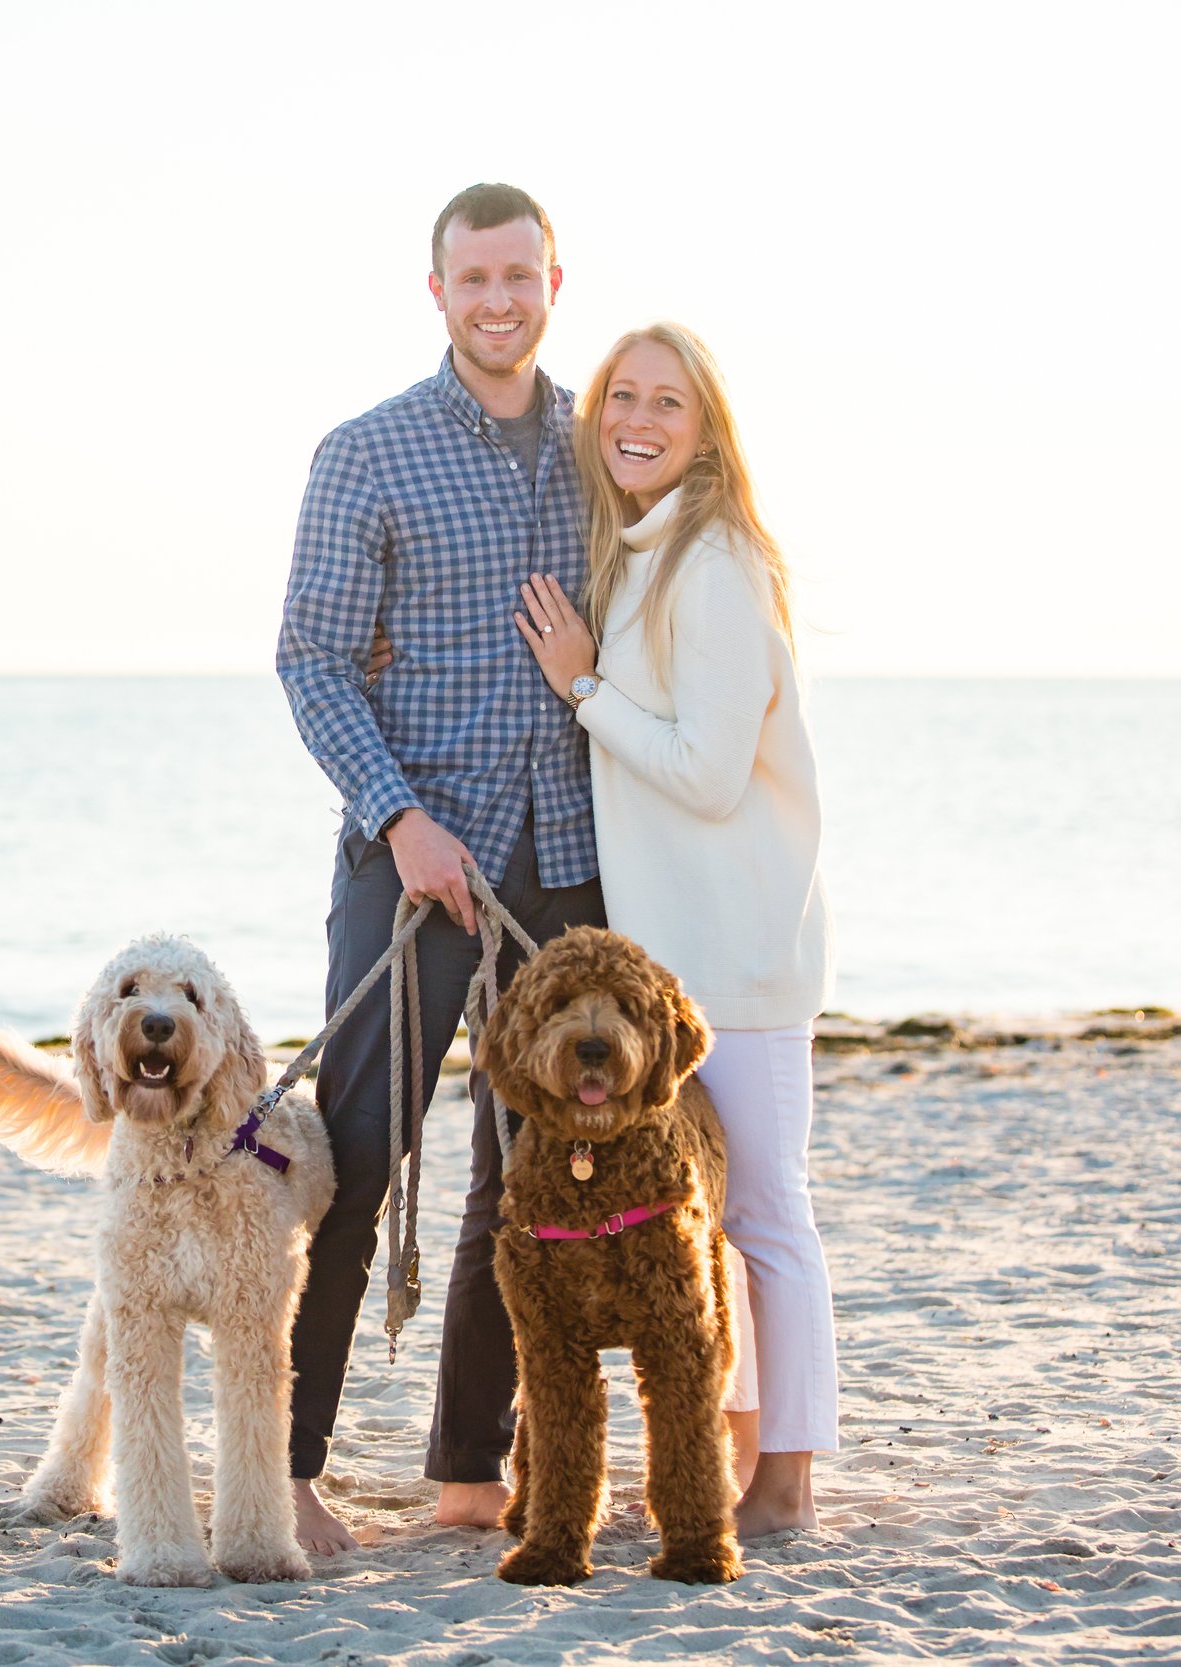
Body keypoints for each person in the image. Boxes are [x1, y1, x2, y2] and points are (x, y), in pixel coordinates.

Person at [273, 182, 603, 1555]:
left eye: (519, 273)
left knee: (530, 1181)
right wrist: (401, 815)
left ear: (553, 279)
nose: (498, 298)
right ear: (437, 291)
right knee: (352, 1161)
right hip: (414, 865)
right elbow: (310, 659)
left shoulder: (609, 449)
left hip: (571, 857)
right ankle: (284, 1472)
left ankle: (473, 1468)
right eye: (474, 278)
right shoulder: (369, 453)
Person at [511, 321, 841, 1537]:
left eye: (666, 403)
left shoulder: (713, 563)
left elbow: (706, 775)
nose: (637, 420)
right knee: (715, 1220)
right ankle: (741, 1453)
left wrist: (585, 687)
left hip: (741, 952)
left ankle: (791, 1478)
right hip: (677, 961)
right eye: (620, 399)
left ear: (704, 432)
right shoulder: (644, 550)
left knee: (762, 1214)